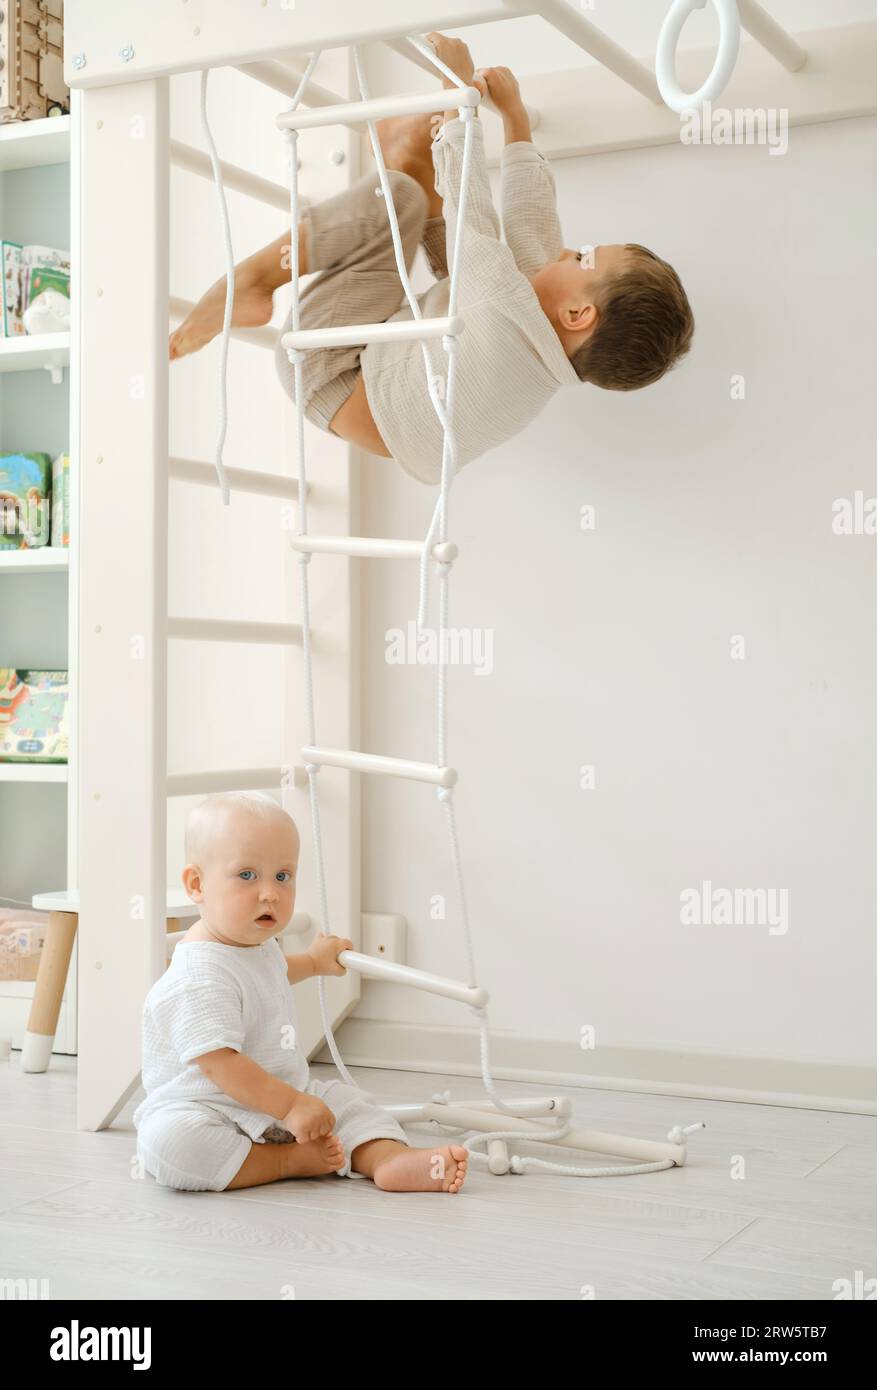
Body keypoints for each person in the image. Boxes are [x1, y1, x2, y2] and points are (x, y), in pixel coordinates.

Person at [170, 33, 694, 485]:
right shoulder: (545, 340)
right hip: (402, 364)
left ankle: (253, 281)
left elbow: (473, 214)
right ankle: (411, 155)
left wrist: (456, 97)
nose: (567, 250)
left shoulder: (514, 317)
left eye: (582, 257)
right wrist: (515, 119)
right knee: (434, 207)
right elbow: (531, 223)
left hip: (331, 370)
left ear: (579, 315)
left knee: (397, 199)